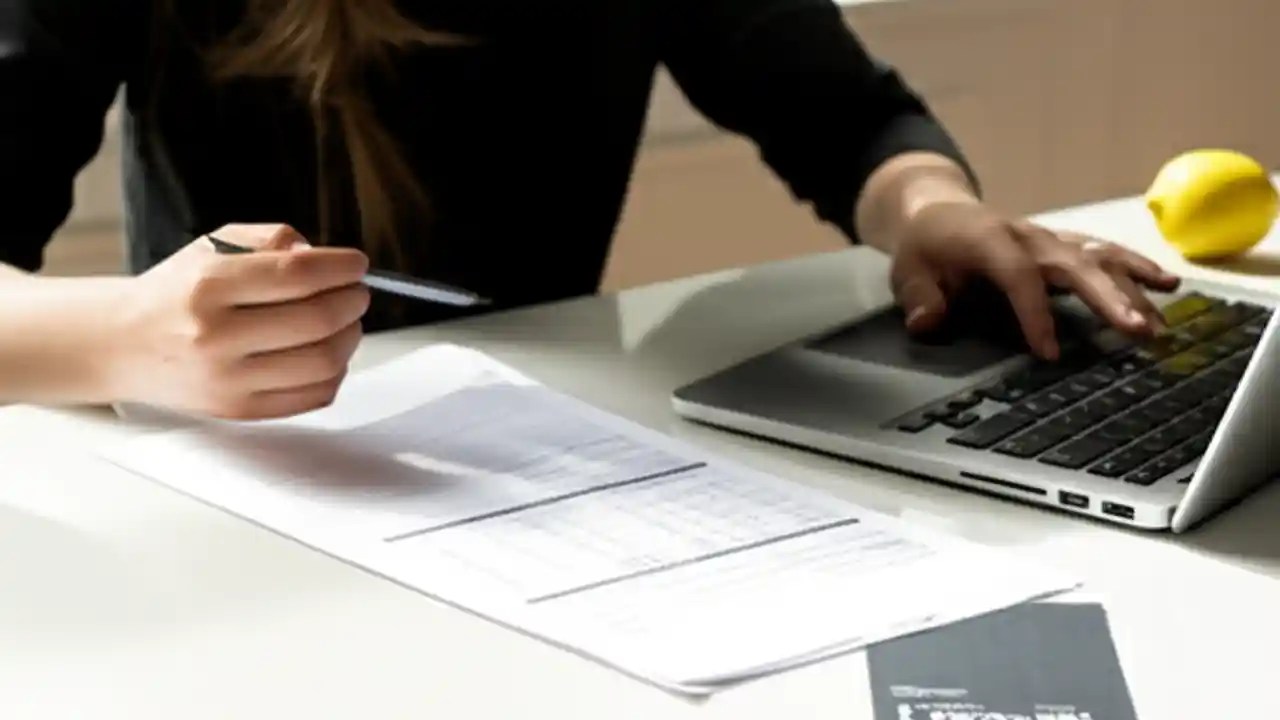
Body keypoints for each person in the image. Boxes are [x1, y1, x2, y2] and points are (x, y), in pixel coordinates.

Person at [0, 0, 1178, 420]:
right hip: (227, 491)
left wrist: (928, 210)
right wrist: (121, 338)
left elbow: (849, 119)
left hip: (551, 485)